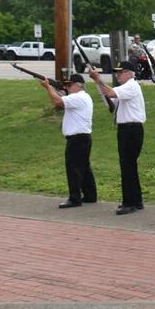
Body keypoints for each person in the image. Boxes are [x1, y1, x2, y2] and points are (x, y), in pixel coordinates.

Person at [89, 61, 146, 215]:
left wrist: (98, 80)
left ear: (130, 73)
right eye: (117, 72)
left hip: (131, 129)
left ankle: (130, 202)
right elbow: (111, 104)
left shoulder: (131, 86)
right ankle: (136, 199)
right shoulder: (124, 88)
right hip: (126, 129)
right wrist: (98, 84)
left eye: (121, 72)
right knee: (129, 166)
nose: (118, 75)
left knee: (128, 166)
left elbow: (111, 94)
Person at [40, 74, 97, 209]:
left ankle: (74, 198)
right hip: (83, 137)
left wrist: (48, 87)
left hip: (77, 138)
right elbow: (60, 103)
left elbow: (58, 102)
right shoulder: (84, 97)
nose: (67, 87)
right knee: (84, 167)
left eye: (69, 85)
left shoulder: (78, 97)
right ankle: (90, 195)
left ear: (78, 85)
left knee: (73, 168)